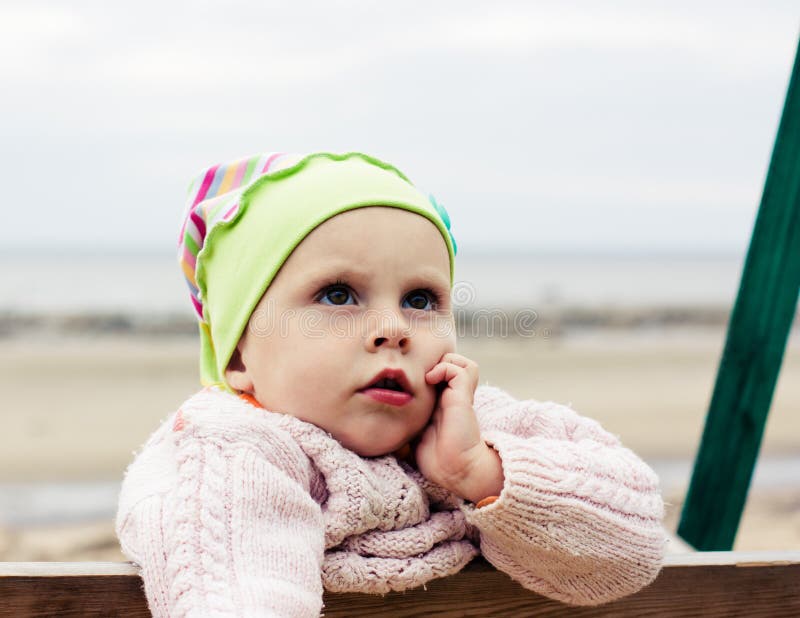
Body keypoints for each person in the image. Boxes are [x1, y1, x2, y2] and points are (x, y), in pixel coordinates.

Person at [116, 152, 666, 617]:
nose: (393, 330)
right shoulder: (231, 452)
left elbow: (637, 543)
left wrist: (477, 470)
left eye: (420, 300)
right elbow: (243, 597)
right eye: (337, 295)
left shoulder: (463, 424)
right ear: (238, 355)